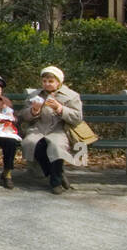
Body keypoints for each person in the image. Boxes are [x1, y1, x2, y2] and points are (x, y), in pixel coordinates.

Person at [17, 65, 86, 195]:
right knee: (31, 143)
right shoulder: (35, 95)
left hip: (59, 129)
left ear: (59, 82)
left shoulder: (71, 96)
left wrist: (60, 108)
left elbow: (77, 117)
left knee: (56, 146)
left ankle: (55, 182)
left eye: (50, 81)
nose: (47, 84)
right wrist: (34, 110)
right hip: (38, 128)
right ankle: (57, 174)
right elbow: (23, 116)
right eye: (44, 81)